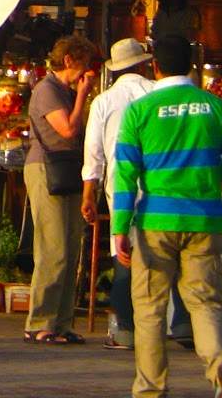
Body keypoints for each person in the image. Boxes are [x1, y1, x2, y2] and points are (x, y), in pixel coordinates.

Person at [112, 35, 222, 398]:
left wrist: (119, 229)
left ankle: (150, 388)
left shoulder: (140, 110)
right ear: (191, 65)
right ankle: (218, 361)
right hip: (204, 220)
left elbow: (124, 173)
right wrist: (208, 177)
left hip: (155, 222)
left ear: (154, 67)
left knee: (150, 308)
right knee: (204, 300)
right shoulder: (215, 106)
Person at [23, 32, 100, 343]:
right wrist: (83, 95)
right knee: (53, 248)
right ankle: (38, 321)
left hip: (68, 170)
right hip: (46, 169)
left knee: (70, 247)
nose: (87, 72)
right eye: (84, 64)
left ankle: (61, 322)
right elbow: (67, 129)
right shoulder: (48, 90)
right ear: (69, 61)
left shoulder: (66, 91)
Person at [82, 38, 156, 349]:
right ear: (142, 64)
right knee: (159, 251)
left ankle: (127, 329)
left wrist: (89, 193)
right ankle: (171, 324)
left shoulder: (103, 101)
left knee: (122, 251)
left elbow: (93, 153)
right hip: (158, 182)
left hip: (119, 185)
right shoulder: (156, 93)